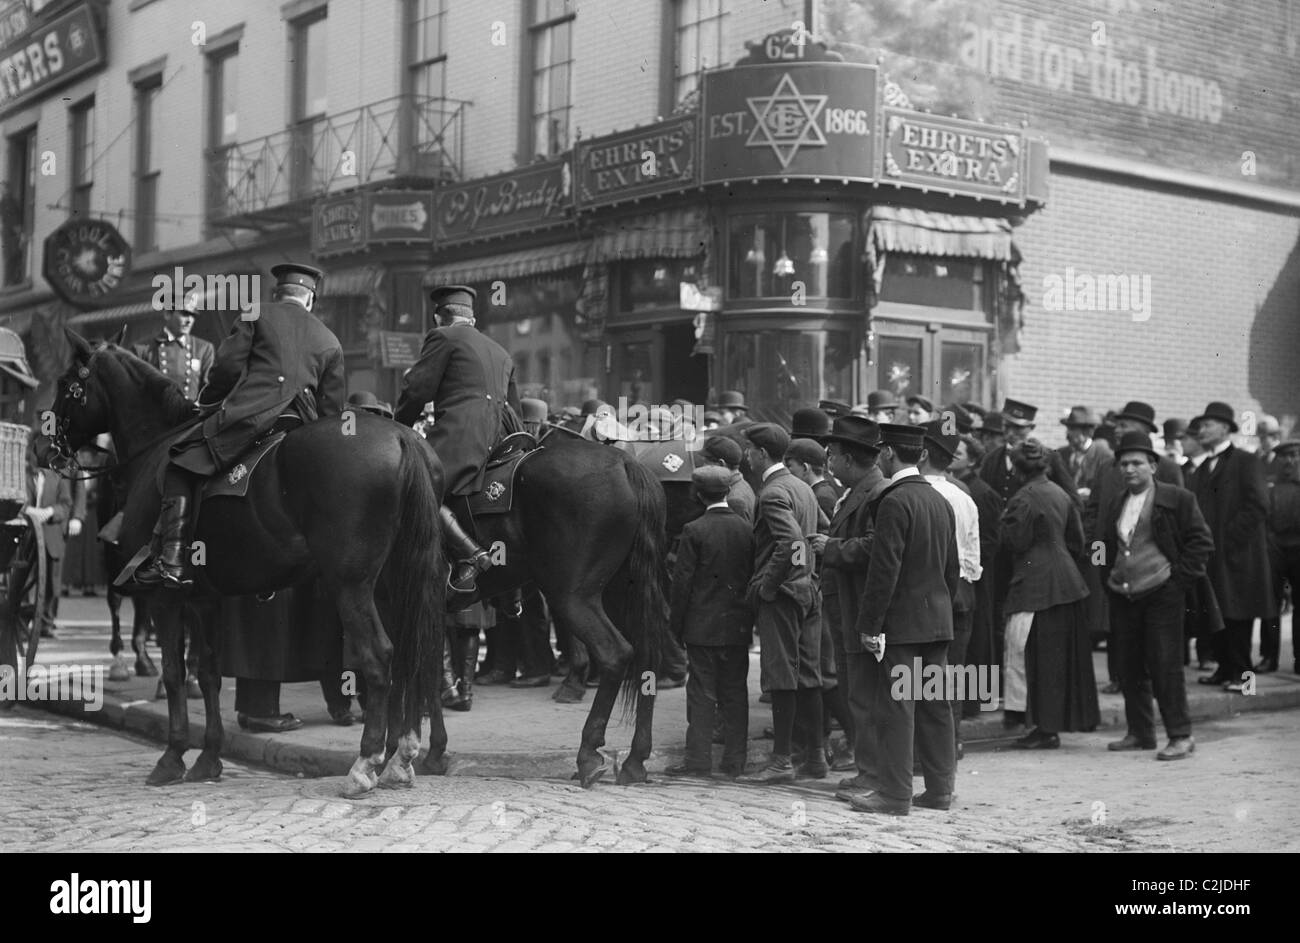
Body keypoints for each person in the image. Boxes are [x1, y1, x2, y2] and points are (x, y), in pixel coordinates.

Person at [135, 262, 346, 588]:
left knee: (180, 460)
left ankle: (174, 559)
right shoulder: (330, 338)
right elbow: (332, 410)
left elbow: (227, 368)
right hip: (303, 424)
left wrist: (207, 402)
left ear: (277, 293)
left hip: (252, 416)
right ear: (310, 300)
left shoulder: (255, 313)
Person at [847, 423, 959, 815]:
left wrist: (869, 625)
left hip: (903, 625)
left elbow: (884, 571)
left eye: (882, 452)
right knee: (934, 706)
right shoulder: (940, 500)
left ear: (890, 454)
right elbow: (952, 569)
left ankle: (894, 795)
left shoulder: (894, 501)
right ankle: (940, 791)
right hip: (936, 621)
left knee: (898, 709)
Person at [394, 285, 521, 594]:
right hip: (502, 436)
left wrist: (398, 428)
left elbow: (418, 391)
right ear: (472, 319)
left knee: (418, 484)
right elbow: (515, 408)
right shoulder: (501, 351)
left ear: (440, 318)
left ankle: (470, 554)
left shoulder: (443, 337)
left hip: (463, 434)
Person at [1100, 431, 1213, 760]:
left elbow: (1201, 543)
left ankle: (1181, 735)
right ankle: (1140, 732)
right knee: (1129, 665)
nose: (1129, 469)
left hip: (1162, 593)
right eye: (1123, 464)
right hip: (1124, 594)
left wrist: (1176, 582)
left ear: (1153, 465)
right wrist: (1106, 574)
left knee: (1165, 664)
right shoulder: (1118, 501)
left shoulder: (1177, 498)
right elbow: (1106, 544)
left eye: (1137, 463)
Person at [737, 423, 825, 784]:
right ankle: (816, 757)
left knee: (782, 676)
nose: (746, 456)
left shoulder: (773, 492)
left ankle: (781, 761)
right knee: (808, 674)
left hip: (785, 595)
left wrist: (767, 586)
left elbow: (792, 544)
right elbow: (821, 532)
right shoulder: (803, 486)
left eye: (749, 451)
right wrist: (809, 576)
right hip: (807, 591)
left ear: (760, 454)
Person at [1000, 438, 1099, 749]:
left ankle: (1044, 729)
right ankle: (1050, 725)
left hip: (1036, 585)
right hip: (1066, 583)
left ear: (1017, 469)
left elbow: (1014, 543)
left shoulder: (1022, 498)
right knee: (1056, 660)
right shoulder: (1060, 493)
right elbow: (1077, 542)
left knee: (1033, 656)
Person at [813, 416, 888, 802]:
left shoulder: (876, 493)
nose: (828, 462)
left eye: (832, 454)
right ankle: (867, 770)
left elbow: (879, 547)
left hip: (858, 610)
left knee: (863, 696)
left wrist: (832, 548)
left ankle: (872, 774)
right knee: (857, 693)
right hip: (846, 608)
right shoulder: (860, 489)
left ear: (849, 458)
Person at [666, 464, 755, 779]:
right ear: (728, 492)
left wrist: (676, 628)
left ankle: (698, 761)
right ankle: (735, 762)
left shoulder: (694, 530)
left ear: (698, 493)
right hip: (738, 626)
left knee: (702, 694)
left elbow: (682, 586)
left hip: (702, 628)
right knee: (735, 694)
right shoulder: (746, 528)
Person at [1187, 401, 1275, 692]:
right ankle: (1225, 670)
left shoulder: (1245, 461)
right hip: (1214, 557)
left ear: (1225, 428)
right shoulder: (1201, 470)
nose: (1202, 430)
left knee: (1239, 617)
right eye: (1200, 425)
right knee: (1219, 614)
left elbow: (1258, 504)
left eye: (1208, 424)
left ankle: (1244, 680)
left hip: (1240, 557)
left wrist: (1231, 538)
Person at [919, 420, 981, 760]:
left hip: (930, 596)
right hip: (961, 595)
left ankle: (928, 752)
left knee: (922, 677)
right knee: (953, 673)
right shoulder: (963, 495)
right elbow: (972, 555)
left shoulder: (913, 493)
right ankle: (950, 743)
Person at [25, 445, 72, 641]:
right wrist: (29, 512)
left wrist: (50, 512)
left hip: (52, 534)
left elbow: (65, 504)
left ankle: (46, 621)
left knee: (52, 582)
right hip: (28, 536)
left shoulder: (59, 477)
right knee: (26, 580)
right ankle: (24, 620)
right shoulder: (24, 476)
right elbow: (19, 501)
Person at [134, 292, 215, 402]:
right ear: (168, 314)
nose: (189, 321)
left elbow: (208, 390)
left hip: (192, 417)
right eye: (184, 314)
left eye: (193, 315)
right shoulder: (142, 349)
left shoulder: (203, 349)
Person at [1265, 439, 1300, 675]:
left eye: (1295, 455)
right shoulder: (1270, 486)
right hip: (1274, 549)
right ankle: (1269, 656)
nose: (1290, 460)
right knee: (1270, 605)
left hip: (1298, 550)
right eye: (1285, 456)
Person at [700, 434, 754, 525]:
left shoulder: (734, 500)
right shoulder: (741, 484)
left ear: (721, 464)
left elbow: (736, 536)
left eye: (706, 463)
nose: (703, 467)